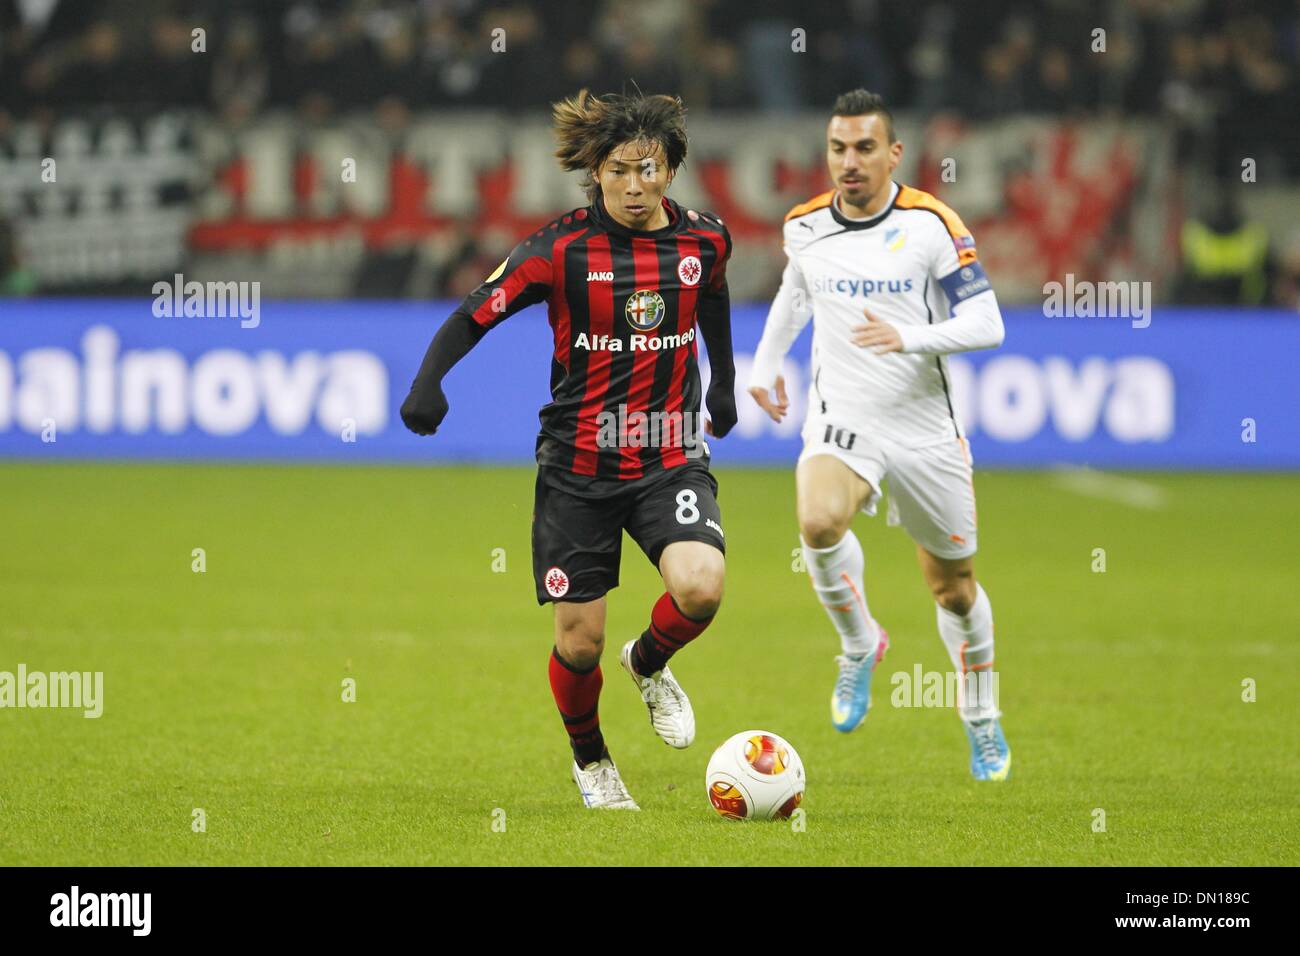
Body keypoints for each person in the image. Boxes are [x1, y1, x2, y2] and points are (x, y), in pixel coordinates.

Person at [401, 89, 736, 808]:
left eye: (650, 169)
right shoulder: (558, 250)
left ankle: (648, 665)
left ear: (672, 169)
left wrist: (724, 387)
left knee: (701, 585)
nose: (636, 186)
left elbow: (712, 297)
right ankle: (591, 761)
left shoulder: (704, 240)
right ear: (596, 172)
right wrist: (429, 383)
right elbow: (472, 315)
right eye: (619, 170)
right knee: (579, 643)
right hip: (577, 465)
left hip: (666, 452)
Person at [747, 89, 1011, 780]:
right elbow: (797, 291)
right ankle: (859, 644)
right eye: (838, 148)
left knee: (952, 588)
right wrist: (767, 364)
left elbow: (988, 324)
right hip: (843, 416)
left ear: (895, 153)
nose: (849, 161)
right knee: (817, 521)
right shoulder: (804, 226)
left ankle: (981, 718)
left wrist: (909, 338)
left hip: (924, 425)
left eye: (865, 147)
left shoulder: (933, 223)